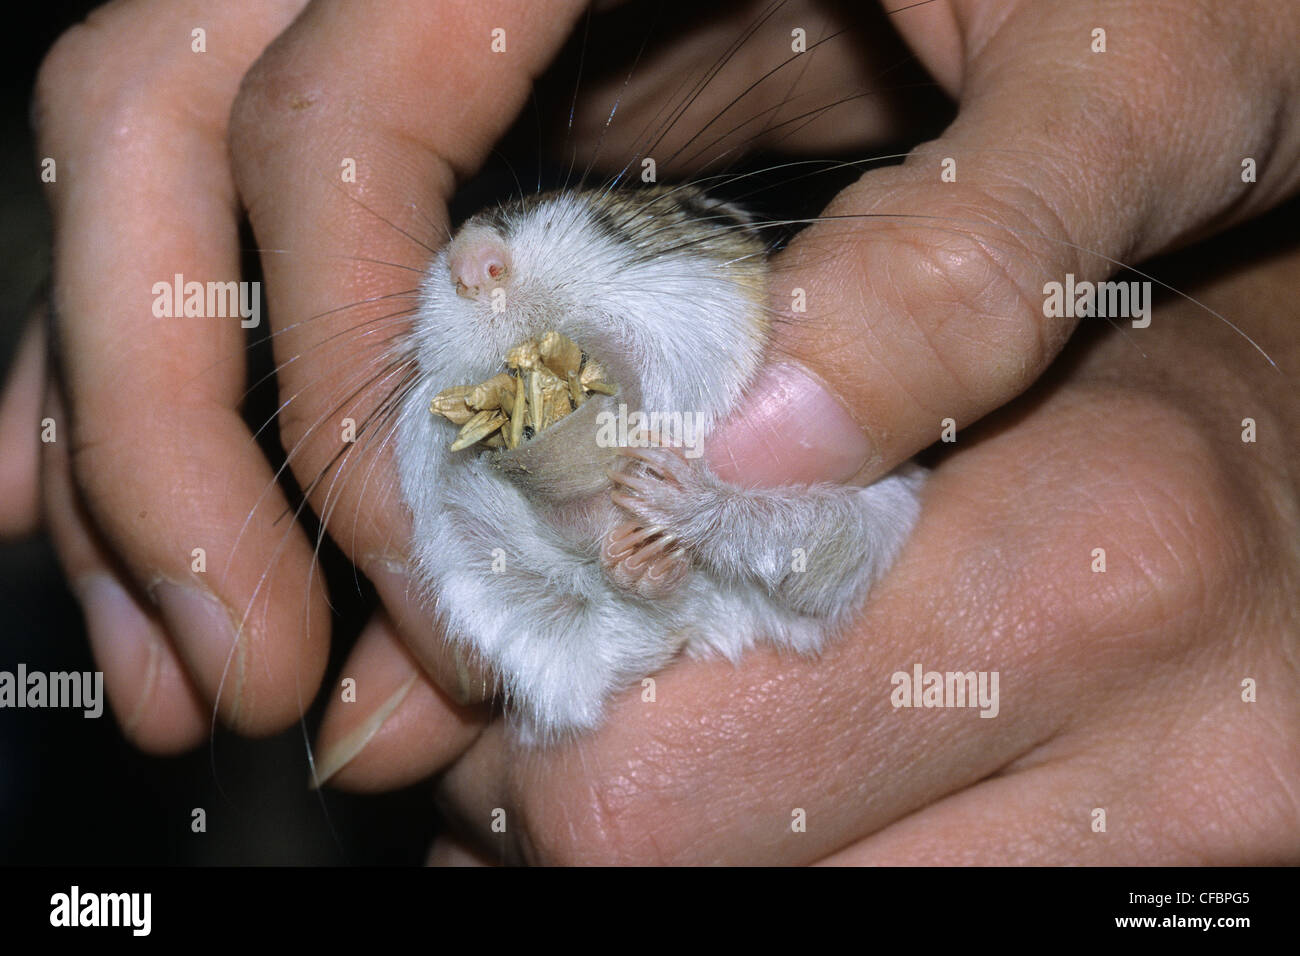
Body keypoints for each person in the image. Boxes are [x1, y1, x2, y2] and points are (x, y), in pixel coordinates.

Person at [7, 0, 1297, 863]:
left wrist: (720, 513)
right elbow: (539, 664)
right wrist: (574, 538)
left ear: (751, 267)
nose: (477, 265)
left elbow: (833, 556)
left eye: (621, 214)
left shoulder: (816, 383)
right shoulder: (458, 509)